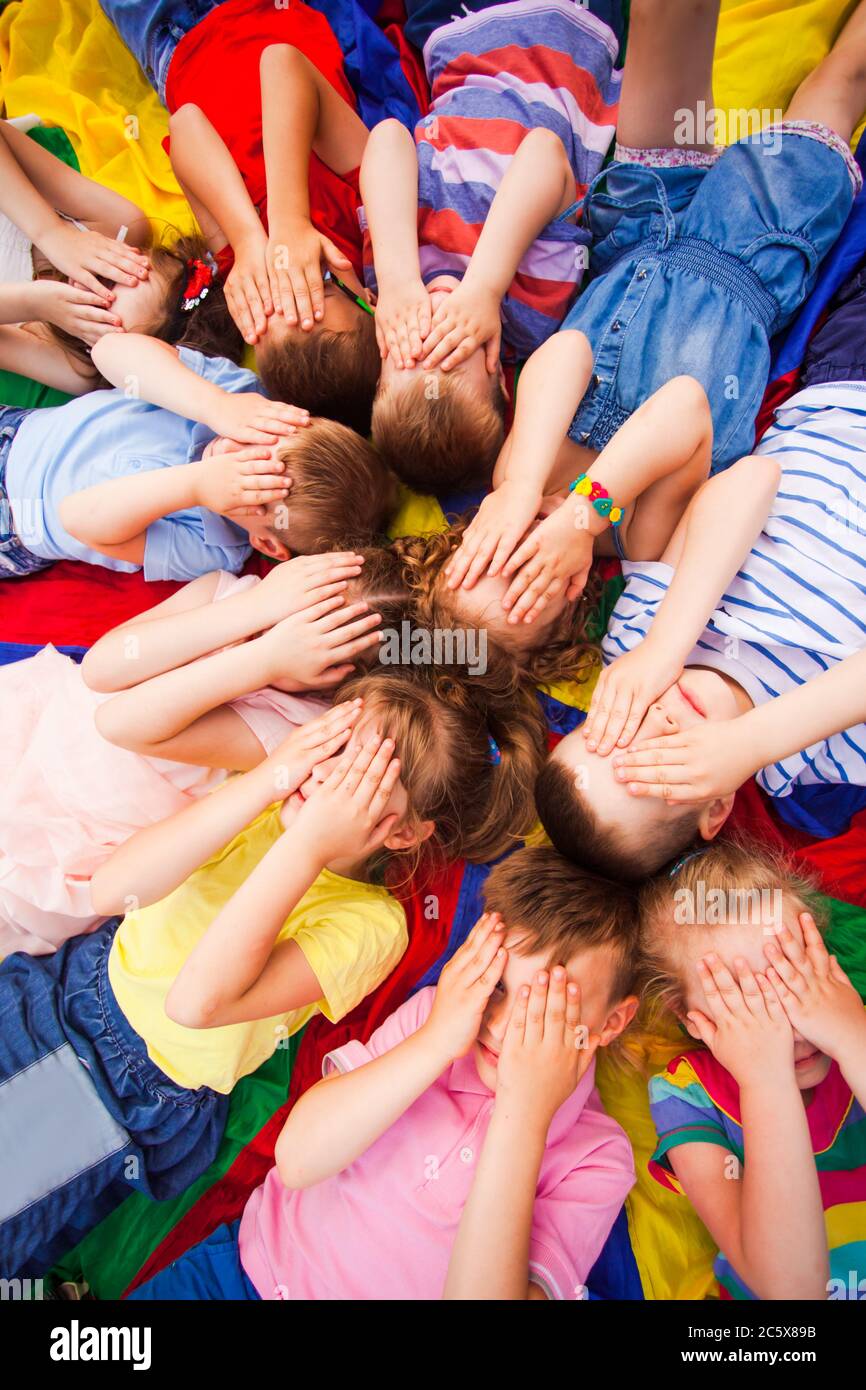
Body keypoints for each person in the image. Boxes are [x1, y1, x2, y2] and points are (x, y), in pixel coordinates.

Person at [443, 0, 866, 611]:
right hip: (754, 250)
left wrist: (520, 487)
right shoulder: (637, 535)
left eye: (497, 553)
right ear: (567, 598)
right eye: (527, 581)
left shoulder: (520, 471)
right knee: (840, 82)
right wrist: (585, 517)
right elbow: (683, 410)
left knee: (665, 14)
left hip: (643, 219)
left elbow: (568, 352)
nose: (528, 544)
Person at [127, 847, 640, 1300]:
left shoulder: (598, 1158)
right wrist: (436, 1041)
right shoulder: (434, 1019)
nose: (504, 1028)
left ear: (612, 1023)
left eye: (545, 1012)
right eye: (497, 987)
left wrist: (524, 1113)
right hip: (242, 1276)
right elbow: (298, 1159)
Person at [0, 550, 401, 955]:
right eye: (295, 608)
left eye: (306, 635)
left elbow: (122, 721)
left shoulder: (295, 726)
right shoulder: (235, 597)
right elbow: (101, 669)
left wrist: (265, 659)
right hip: (27, 730)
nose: (278, 632)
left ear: (335, 676)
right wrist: (258, 607)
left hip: (66, 834)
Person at [362, 0, 622, 491]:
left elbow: (389, 138)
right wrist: (484, 287)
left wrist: (397, 279)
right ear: (499, 376)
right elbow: (544, 151)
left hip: (453, 28)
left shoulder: (389, 276)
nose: (430, 331)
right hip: (564, 29)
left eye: (409, 353)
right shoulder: (528, 313)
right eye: (450, 350)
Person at [101, 0, 383, 432]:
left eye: (272, 300)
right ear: (371, 299)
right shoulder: (363, 220)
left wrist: (249, 240)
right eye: (319, 285)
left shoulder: (243, 263)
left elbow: (186, 126)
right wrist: (291, 221)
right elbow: (280, 62)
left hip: (169, 43)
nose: (286, 270)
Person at [640, 838, 866, 1300]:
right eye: (747, 1003)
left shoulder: (853, 1027)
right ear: (690, 1019)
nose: (792, 1028)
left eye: (794, 976)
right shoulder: (688, 1096)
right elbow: (793, 1290)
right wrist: (766, 1080)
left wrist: (851, 1036)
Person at [0, 332, 395, 580]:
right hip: (19, 430)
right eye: (267, 440)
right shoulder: (240, 397)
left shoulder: (211, 552)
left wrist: (196, 486)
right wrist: (215, 404)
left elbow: (76, 517)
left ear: (268, 544)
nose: (235, 452)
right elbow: (109, 350)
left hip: (14, 524)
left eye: (252, 482)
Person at [0, 115, 242, 392]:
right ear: (137, 254)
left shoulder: (75, 365)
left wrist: (34, 304)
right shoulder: (118, 225)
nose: (86, 291)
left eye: (96, 313)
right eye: (110, 278)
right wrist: (52, 232)